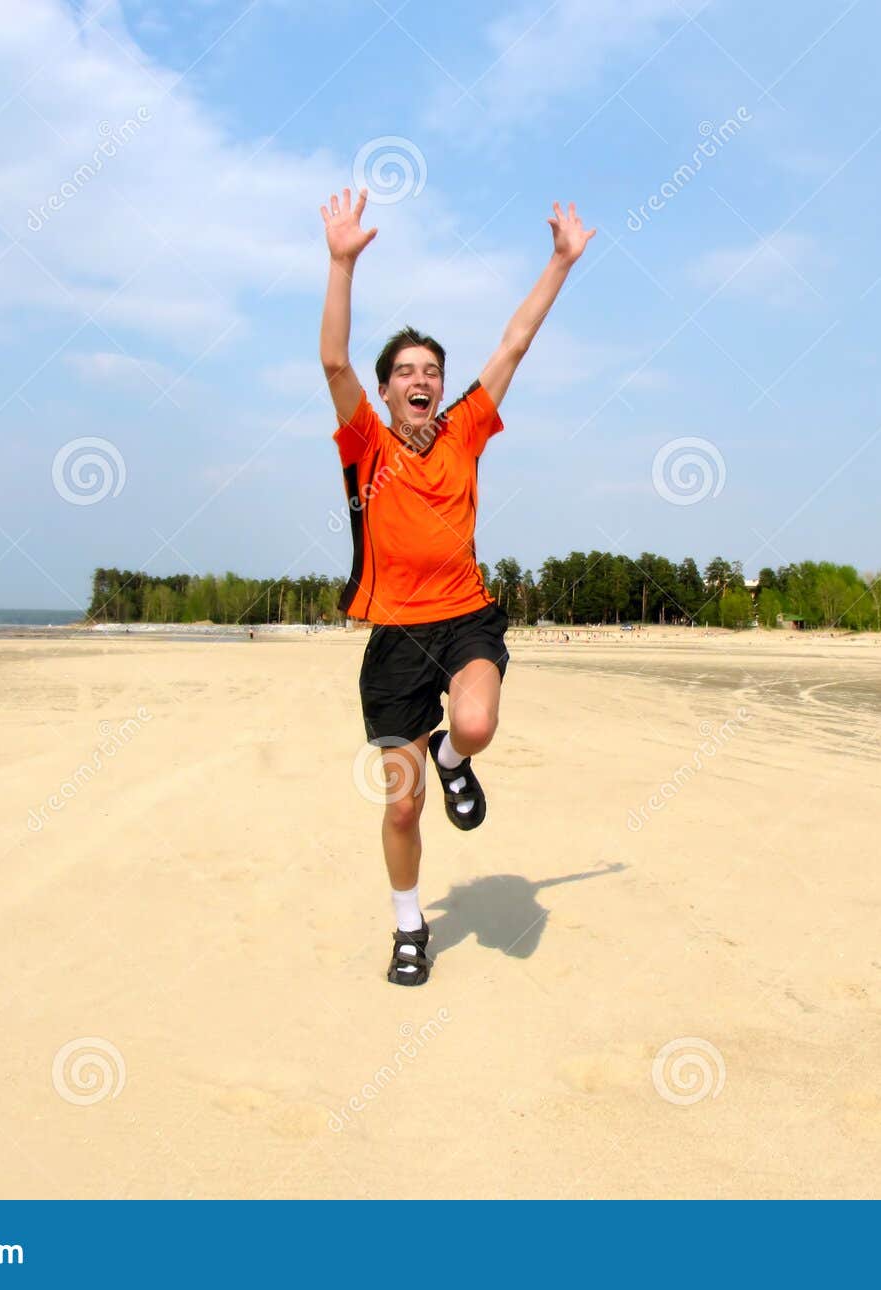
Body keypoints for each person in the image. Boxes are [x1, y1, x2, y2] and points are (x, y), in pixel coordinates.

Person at [320, 187, 595, 986]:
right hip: (395, 643)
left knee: (474, 724)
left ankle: (453, 755)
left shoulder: (465, 429)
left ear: (441, 388)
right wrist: (341, 263)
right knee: (402, 805)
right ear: (384, 391)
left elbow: (514, 342)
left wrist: (560, 261)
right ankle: (410, 926)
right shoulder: (366, 444)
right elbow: (334, 361)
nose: (422, 379)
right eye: (406, 371)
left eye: (432, 371)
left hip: (466, 619)